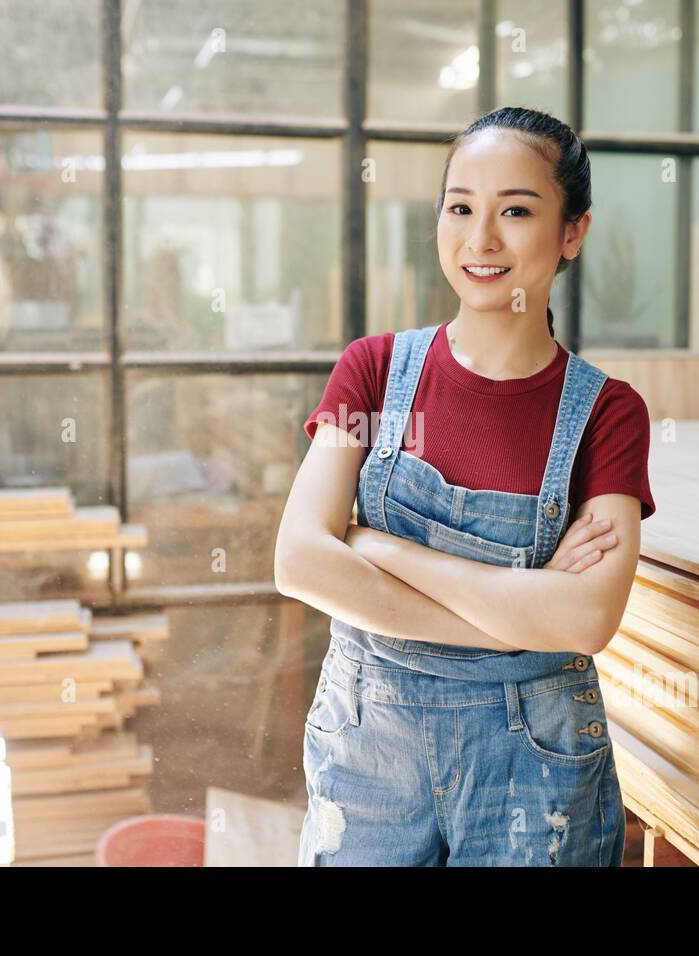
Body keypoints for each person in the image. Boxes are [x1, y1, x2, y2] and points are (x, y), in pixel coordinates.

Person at [274, 106, 656, 866]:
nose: (481, 239)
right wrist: (521, 620)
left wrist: (380, 548)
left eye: (516, 210)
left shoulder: (608, 415)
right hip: (368, 753)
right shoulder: (373, 371)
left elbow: (583, 621)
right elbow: (300, 562)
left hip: (533, 768)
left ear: (573, 231)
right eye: (460, 207)